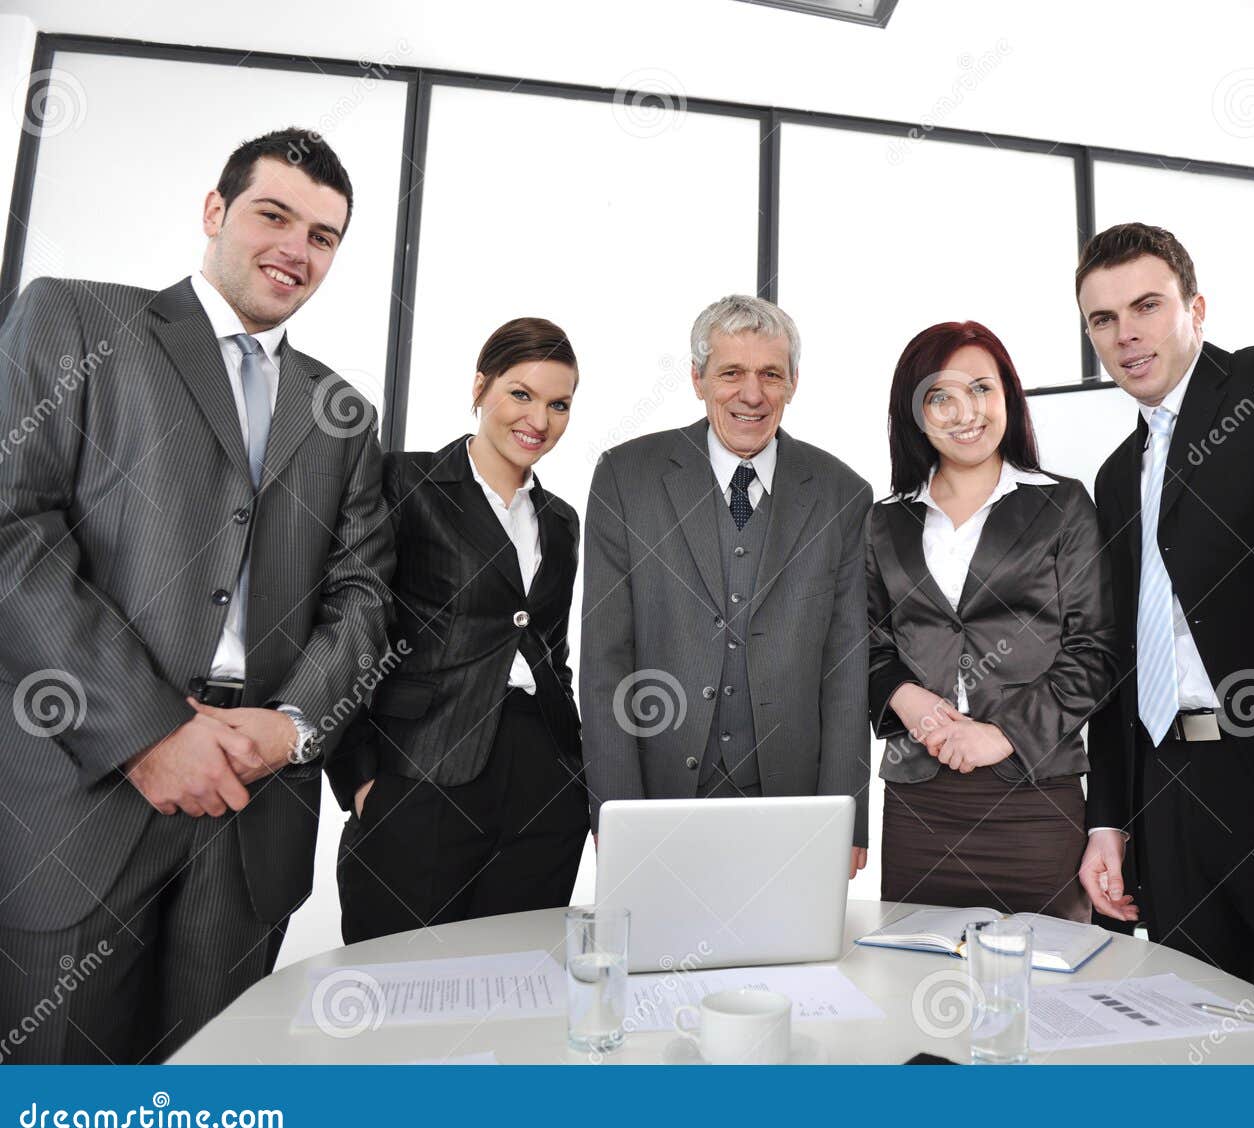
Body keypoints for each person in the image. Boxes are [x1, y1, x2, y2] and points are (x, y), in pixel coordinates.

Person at [0, 129, 392, 1062]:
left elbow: (365, 593)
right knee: (59, 1103)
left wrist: (295, 724)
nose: (298, 248)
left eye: (325, 236)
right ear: (215, 213)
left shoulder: (341, 414)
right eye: (274, 214)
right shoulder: (75, 320)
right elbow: (11, 528)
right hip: (82, 796)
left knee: (215, 1096)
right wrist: (145, 731)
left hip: (252, 815)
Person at [1075, 222, 1254, 1026]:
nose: (1125, 333)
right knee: (1197, 1023)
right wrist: (1109, 820)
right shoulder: (1114, 473)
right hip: (1169, 795)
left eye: (1146, 305)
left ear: (1195, 307)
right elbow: (1123, 657)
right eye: (1102, 319)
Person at [581, 295, 872, 866]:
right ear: (696, 378)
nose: (752, 394)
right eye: (731, 372)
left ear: (793, 383)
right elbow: (604, 657)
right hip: (659, 797)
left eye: (770, 374)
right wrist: (612, 808)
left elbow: (847, 670)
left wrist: (849, 815)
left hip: (795, 807)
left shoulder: (843, 493)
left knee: (794, 953)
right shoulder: (625, 475)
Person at [328, 319, 588, 944]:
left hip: (542, 778)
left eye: (559, 404)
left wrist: (573, 769)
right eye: (521, 394)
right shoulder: (402, 483)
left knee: (514, 985)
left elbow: (553, 652)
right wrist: (360, 780)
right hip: (419, 769)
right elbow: (346, 623)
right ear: (480, 386)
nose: (540, 420)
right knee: (399, 988)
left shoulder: (561, 521)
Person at [866, 321, 1115, 919]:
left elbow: (1096, 651)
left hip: (1036, 799)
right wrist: (907, 700)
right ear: (915, 414)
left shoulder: (1063, 505)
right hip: (918, 806)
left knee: (1049, 993)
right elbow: (861, 647)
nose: (965, 412)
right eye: (940, 397)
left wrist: (998, 735)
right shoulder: (883, 521)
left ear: (1008, 396)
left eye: (981, 388)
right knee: (917, 987)